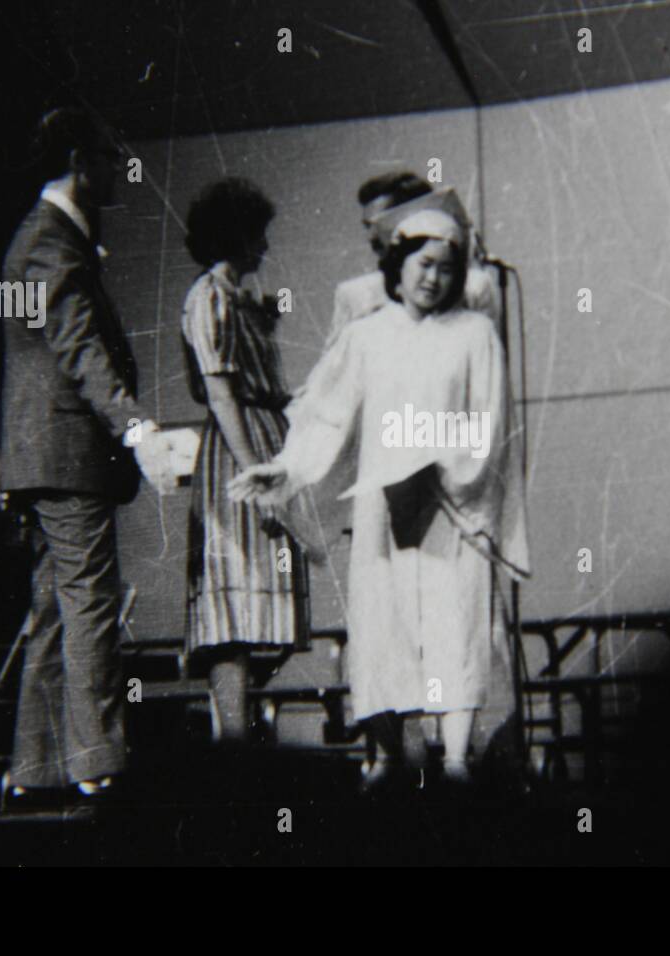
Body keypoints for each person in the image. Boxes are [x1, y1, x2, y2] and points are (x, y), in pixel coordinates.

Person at [230, 207, 529, 788]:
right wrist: (286, 469)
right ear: (397, 265)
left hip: (449, 507)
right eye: (423, 264)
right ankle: (390, 755)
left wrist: (442, 467)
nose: (433, 278)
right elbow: (325, 413)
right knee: (382, 627)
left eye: (446, 268)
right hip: (379, 507)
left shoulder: (474, 335)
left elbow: (489, 422)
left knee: (454, 623)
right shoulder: (365, 337)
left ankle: (457, 759)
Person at [0, 108, 170, 804]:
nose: (116, 170)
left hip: (50, 456)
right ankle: (97, 763)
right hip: (66, 453)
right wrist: (135, 426)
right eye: (107, 156)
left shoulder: (54, 238)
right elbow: (79, 349)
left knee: (53, 609)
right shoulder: (50, 241)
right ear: (77, 160)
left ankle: (37, 767)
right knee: (90, 604)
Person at [180, 179, 309, 742]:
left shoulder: (241, 300)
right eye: (258, 233)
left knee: (275, 605)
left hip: (269, 435)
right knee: (233, 602)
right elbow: (217, 392)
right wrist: (253, 467)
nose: (265, 246)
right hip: (239, 448)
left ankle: (239, 719)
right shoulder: (208, 296)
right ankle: (231, 732)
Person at [329, 174, 500, 343]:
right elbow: (337, 366)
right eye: (368, 226)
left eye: (381, 223)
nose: (372, 237)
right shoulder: (356, 295)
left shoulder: (474, 289)